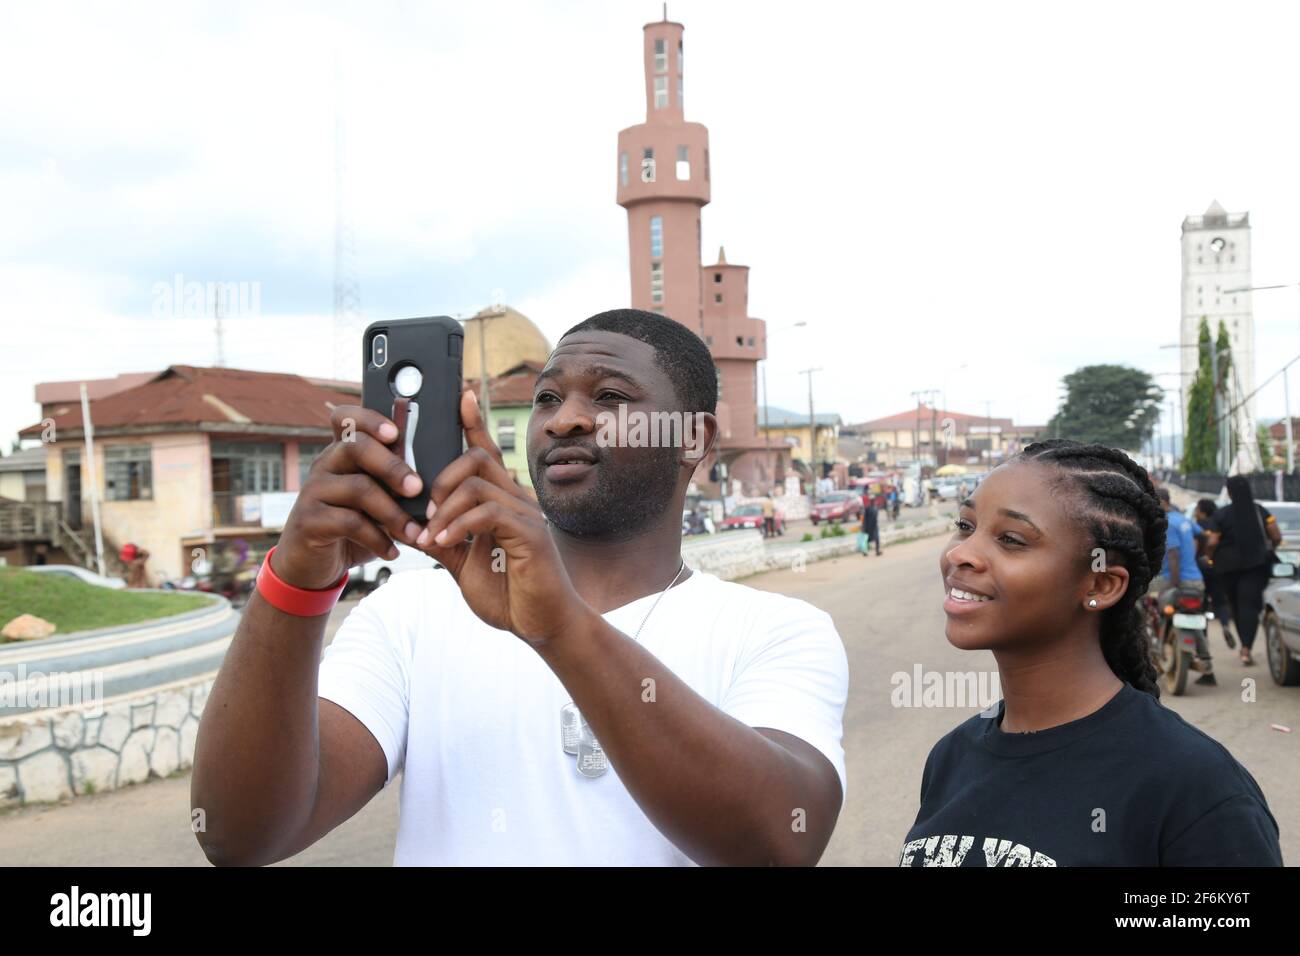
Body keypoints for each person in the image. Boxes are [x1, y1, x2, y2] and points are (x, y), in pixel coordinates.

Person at [192, 308, 848, 867]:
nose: (565, 420)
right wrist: (297, 582)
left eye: (611, 398)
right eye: (547, 398)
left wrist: (559, 627)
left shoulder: (776, 630)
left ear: (693, 438)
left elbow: (781, 839)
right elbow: (239, 834)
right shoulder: (412, 613)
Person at [900, 439, 1282, 866]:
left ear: (1100, 585)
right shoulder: (951, 757)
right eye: (966, 526)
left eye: (1011, 539)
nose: (960, 554)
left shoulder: (1194, 787)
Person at [1203, 476, 1282, 666]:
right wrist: (1271, 548)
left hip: (1227, 568)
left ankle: (1244, 646)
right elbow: (1276, 534)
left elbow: (1212, 541)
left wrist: (1209, 556)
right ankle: (1246, 649)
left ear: (1229, 492)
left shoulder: (1221, 515)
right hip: (1256, 566)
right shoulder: (1260, 511)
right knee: (1250, 606)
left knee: (1237, 606)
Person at [1148, 487, 1212, 685]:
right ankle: (1206, 661)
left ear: (1161, 502)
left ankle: (1152, 640)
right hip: (1196, 580)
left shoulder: (1167, 523)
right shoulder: (1183, 519)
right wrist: (1199, 555)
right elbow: (1203, 536)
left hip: (1176, 579)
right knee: (1198, 617)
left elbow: (1173, 555)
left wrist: (1172, 583)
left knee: (1139, 597)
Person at [1193, 498, 1236, 651]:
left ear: (1202, 511)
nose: (1195, 513)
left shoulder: (1197, 526)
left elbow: (1194, 547)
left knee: (1200, 603)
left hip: (1199, 567)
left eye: (1197, 509)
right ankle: (1225, 625)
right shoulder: (1218, 524)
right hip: (1216, 566)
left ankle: (1203, 638)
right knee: (1219, 601)